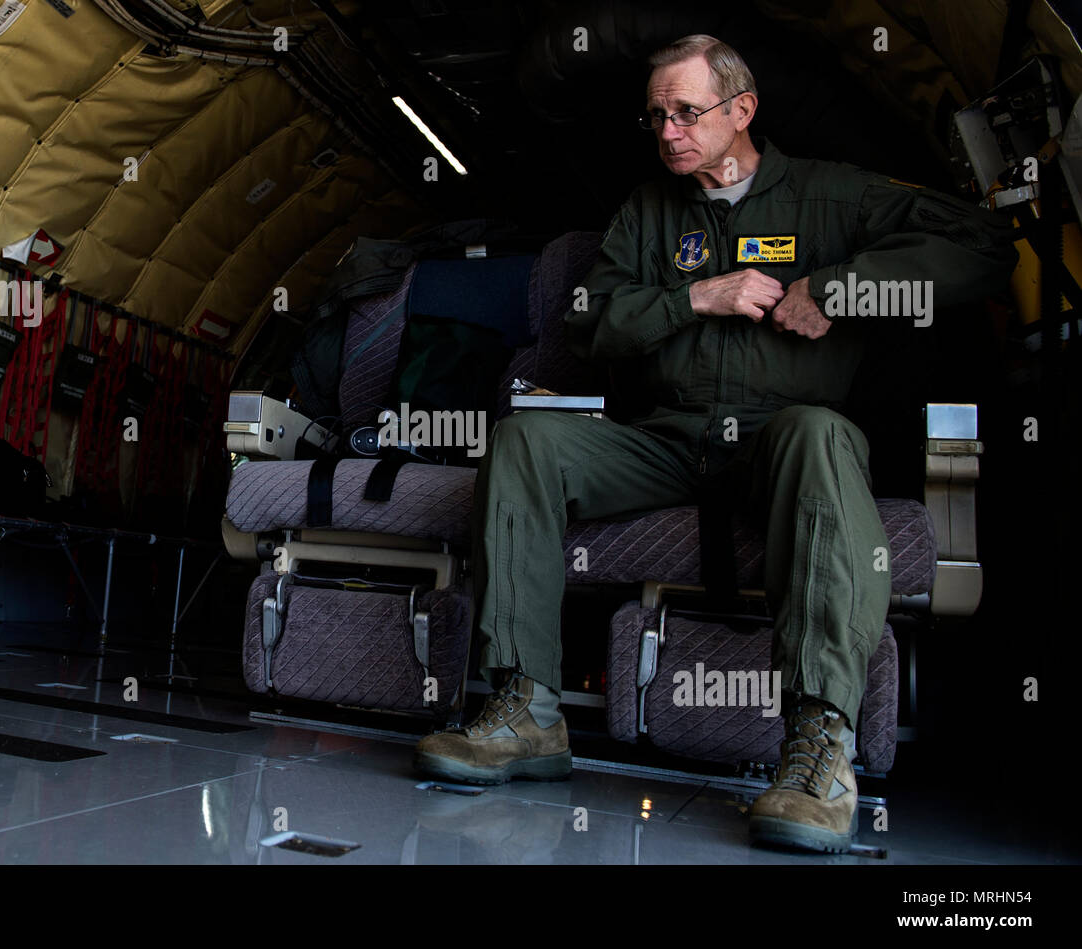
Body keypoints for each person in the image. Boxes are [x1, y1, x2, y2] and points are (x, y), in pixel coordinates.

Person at [414, 33, 1017, 853]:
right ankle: (526, 711)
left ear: (742, 110)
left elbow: (984, 246)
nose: (667, 131)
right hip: (665, 440)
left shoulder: (833, 196)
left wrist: (841, 288)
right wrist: (696, 296)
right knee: (525, 440)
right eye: (656, 115)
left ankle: (820, 746)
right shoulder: (646, 213)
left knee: (823, 431)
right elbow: (588, 323)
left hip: (781, 441)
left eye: (687, 112)